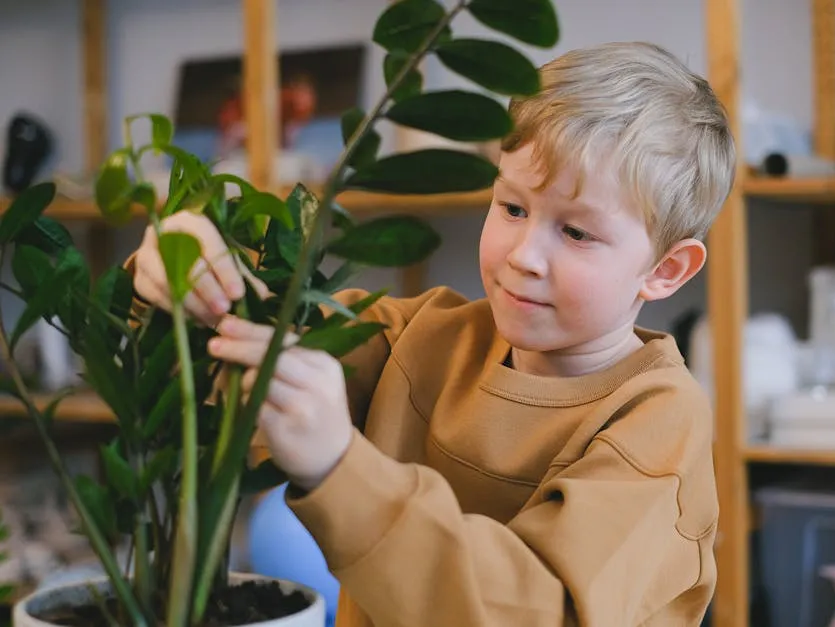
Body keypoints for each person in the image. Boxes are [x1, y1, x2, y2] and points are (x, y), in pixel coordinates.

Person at [127, 41, 736, 626]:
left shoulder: (658, 427)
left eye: (576, 233)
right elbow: (215, 368)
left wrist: (340, 469)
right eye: (513, 208)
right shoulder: (415, 339)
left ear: (664, 270)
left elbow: (543, 613)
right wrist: (184, 280)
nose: (525, 255)